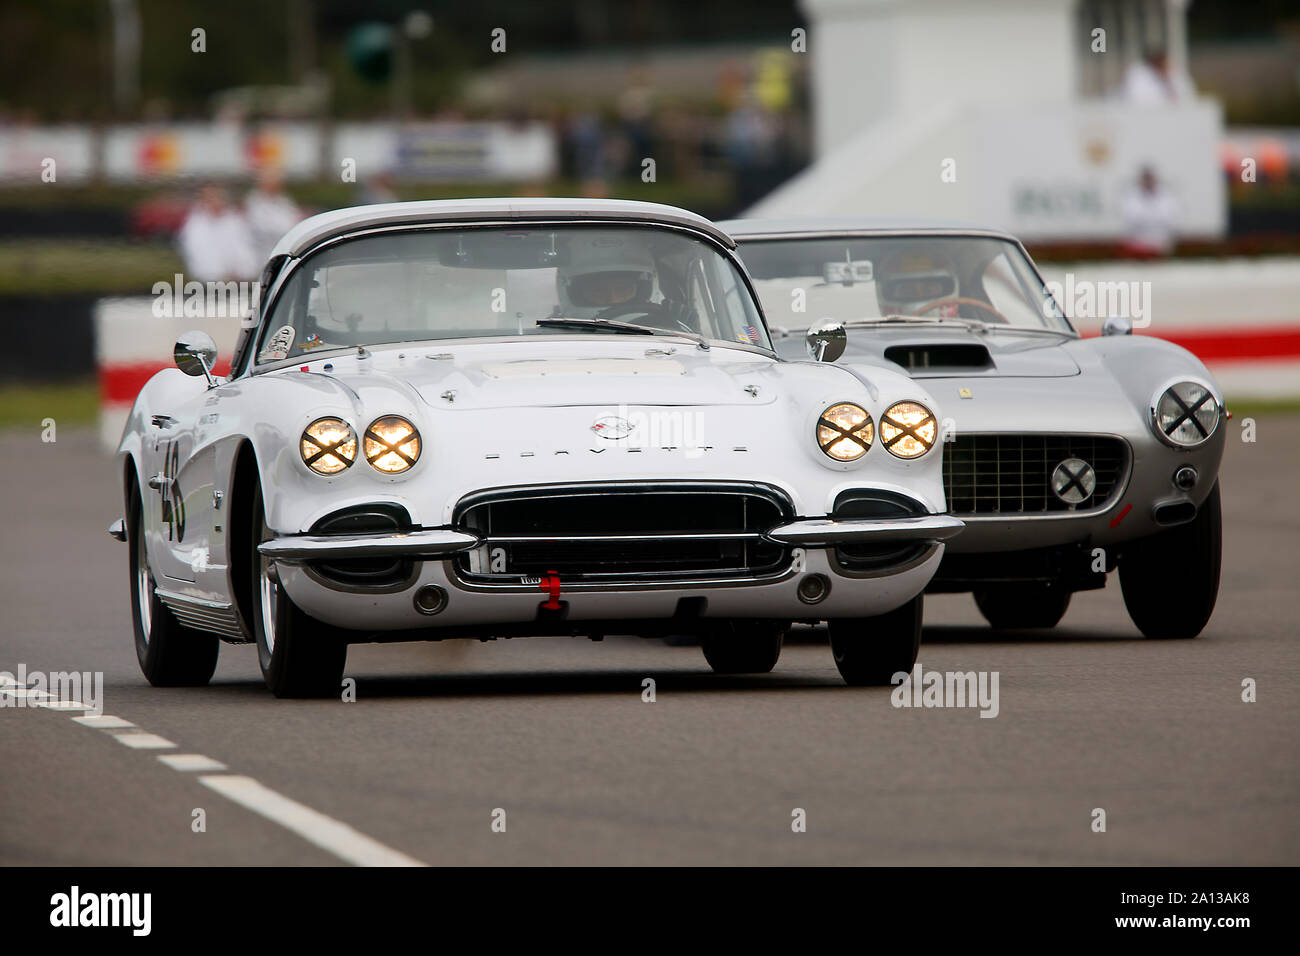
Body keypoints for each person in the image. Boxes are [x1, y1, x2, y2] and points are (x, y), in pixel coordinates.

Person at [553, 236, 697, 332]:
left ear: (642, 290)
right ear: (575, 293)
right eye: (598, 291)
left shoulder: (663, 333)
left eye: (623, 290)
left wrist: (683, 330)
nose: (612, 299)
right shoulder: (553, 336)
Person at [177, 183, 258, 281]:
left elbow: (246, 249)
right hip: (208, 284)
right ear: (203, 201)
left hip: (241, 281)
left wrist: (242, 272)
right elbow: (198, 254)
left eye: (219, 197)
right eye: (210, 198)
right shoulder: (194, 225)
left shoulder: (235, 221)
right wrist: (221, 275)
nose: (216, 201)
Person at [244, 169, 302, 264]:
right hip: (262, 255)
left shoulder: (284, 201)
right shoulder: (254, 202)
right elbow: (262, 228)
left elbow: (294, 221)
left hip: (284, 253)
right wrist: (288, 229)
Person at [1121, 166, 1179, 258]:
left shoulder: (1167, 197)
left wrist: (1149, 218)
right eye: (1145, 179)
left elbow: (1171, 221)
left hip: (1161, 246)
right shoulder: (1131, 197)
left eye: (1150, 178)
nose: (1148, 182)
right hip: (1137, 247)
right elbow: (1131, 221)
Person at [1122, 47, 1195, 106]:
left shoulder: (1174, 73)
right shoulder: (1138, 74)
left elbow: (1187, 95)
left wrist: (1168, 82)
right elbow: (1135, 97)